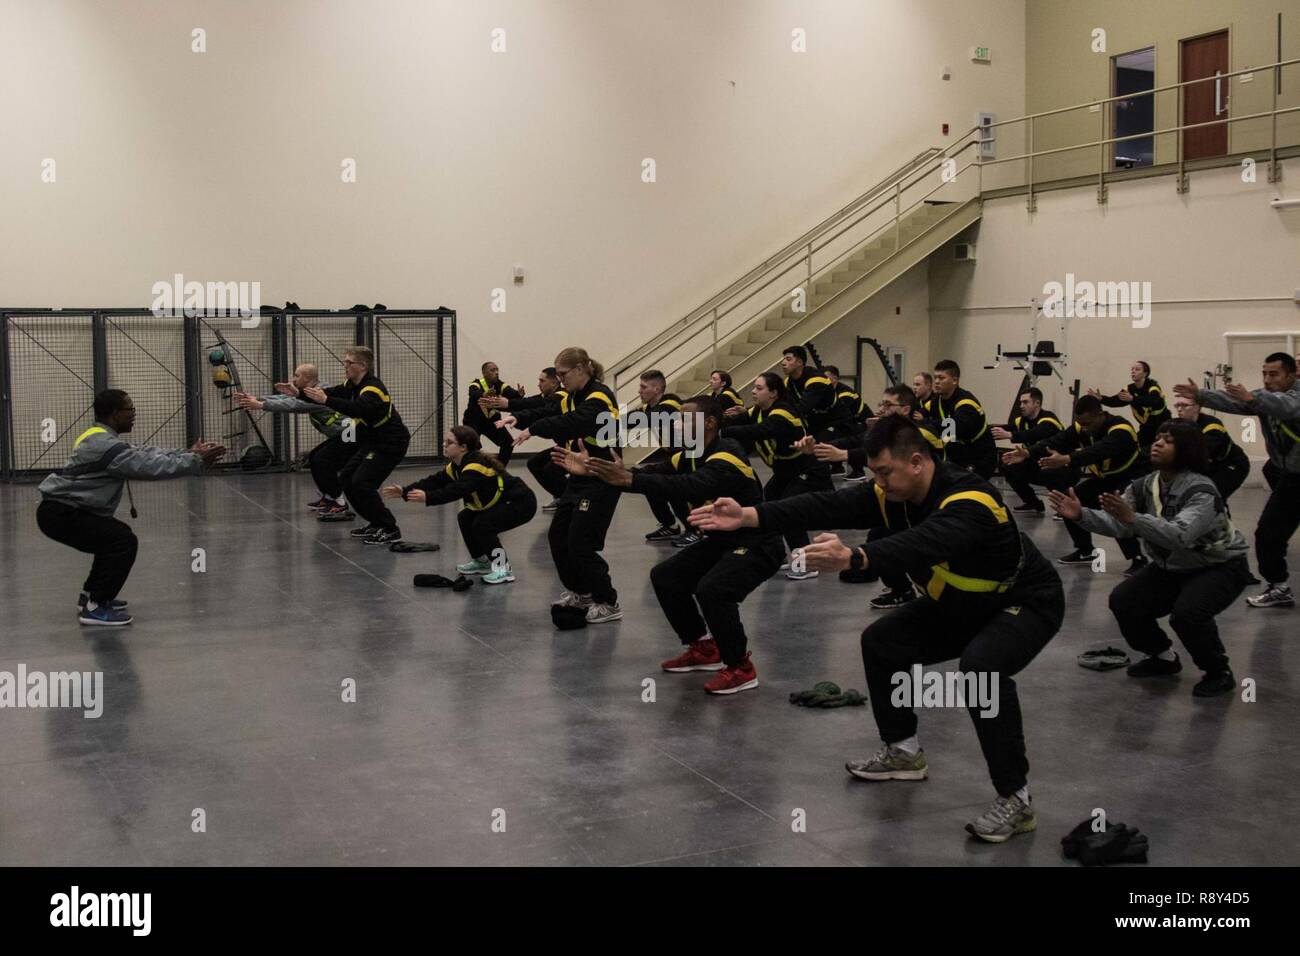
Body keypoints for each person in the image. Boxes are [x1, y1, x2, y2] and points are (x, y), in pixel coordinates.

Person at [691, 415, 1064, 843]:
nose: (879, 482)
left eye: (885, 472)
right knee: (882, 641)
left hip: (1025, 602)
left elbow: (926, 542)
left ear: (918, 462)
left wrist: (855, 557)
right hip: (963, 604)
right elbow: (826, 505)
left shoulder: (972, 501)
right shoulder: (895, 494)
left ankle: (1016, 799)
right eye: (875, 473)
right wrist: (749, 515)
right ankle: (903, 753)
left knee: (982, 668)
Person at [556, 396, 783, 694]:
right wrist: (600, 472)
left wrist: (628, 481)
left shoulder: (727, 456)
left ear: (710, 422)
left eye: (685, 417)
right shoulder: (691, 453)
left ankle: (741, 666)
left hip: (758, 544)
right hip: (722, 541)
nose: (677, 422)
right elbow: (654, 472)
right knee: (665, 577)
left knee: (713, 591)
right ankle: (704, 648)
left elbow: (687, 485)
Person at [1050, 420, 1254, 697]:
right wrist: (1081, 515)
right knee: (1124, 601)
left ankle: (1219, 671)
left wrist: (1133, 518)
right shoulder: (1144, 485)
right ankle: (1163, 657)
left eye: (1168, 441)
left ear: (1186, 451)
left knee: (1187, 615)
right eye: (1157, 438)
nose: (1157, 444)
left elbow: (1179, 535)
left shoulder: (1202, 490)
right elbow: (1120, 525)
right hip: (1173, 566)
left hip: (1218, 567)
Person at [36, 389, 226, 626]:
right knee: (121, 541)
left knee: (112, 537)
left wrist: (188, 453)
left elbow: (143, 453)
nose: (134, 414)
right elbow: (147, 466)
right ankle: (95, 606)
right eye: (130, 409)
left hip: (61, 511)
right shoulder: (104, 445)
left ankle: (89, 596)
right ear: (115, 414)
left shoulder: (101, 437)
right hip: (61, 513)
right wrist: (195, 461)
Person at [501, 347, 624, 624]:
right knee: (558, 535)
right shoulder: (571, 396)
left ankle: (608, 600)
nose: (560, 379)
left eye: (563, 374)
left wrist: (534, 429)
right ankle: (581, 592)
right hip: (579, 474)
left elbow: (574, 421)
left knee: (581, 541)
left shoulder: (599, 397)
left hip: (602, 476)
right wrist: (518, 417)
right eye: (557, 374)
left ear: (581, 369)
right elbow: (547, 408)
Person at [1176, 352, 1300, 608]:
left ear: (1291, 375)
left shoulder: (1287, 398)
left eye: (1274, 374)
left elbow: (1287, 409)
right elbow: (1233, 402)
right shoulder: (1263, 398)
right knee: (1268, 534)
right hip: (1293, 478)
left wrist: (1254, 399)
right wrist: (1200, 395)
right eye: (1264, 373)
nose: (1267, 379)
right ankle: (1279, 586)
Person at [807, 385, 945, 608]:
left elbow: (867, 453)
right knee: (879, 536)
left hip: (932, 502)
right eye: (881, 404)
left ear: (906, 409)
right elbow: (858, 440)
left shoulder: (919, 434)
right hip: (903, 499)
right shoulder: (887, 431)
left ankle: (919, 592)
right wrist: (821, 447)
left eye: (888, 405)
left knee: (909, 545)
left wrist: (845, 455)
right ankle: (902, 589)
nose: (881, 409)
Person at [1005, 394, 1148, 574]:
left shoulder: (1121, 430)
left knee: (1115, 509)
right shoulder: (1082, 427)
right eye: (1082, 424)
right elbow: (1055, 441)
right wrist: (1027, 453)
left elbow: (1098, 452)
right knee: (1070, 501)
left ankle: (1138, 558)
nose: (1085, 429)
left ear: (1100, 415)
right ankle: (1086, 551)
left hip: (1130, 478)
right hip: (1105, 478)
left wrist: (1067, 459)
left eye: (1088, 424)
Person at [382, 426, 536, 585]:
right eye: (444, 442)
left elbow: (456, 491)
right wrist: (405, 491)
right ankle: (482, 561)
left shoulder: (475, 466)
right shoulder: (456, 465)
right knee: (465, 517)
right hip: (505, 501)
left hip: (521, 503)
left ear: (463, 447)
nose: (444, 445)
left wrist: (428, 497)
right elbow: (435, 481)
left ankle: (503, 569)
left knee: (484, 525)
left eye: (449, 442)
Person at [720, 371, 832, 580]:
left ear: (773, 393)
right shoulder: (759, 410)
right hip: (785, 471)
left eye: (759, 388)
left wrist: (719, 433)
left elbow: (759, 431)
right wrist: (714, 422)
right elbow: (738, 421)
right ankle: (777, 555)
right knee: (767, 507)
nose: (753, 391)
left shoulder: (782, 413)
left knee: (789, 512)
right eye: (754, 387)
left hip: (808, 470)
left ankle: (805, 564)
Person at [297, 345, 411, 545]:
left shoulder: (373, 389)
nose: (345, 366)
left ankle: (390, 528)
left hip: (391, 442)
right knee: (347, 479)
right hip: (372, 440)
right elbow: (330, 393)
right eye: (345, 362)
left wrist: (327, 400)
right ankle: (375, 523)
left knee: (363, 484)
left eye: (349, 363)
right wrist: (298, 393)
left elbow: (357, 409)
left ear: (363, 365)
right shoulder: (351, 384)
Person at [235, 363, 353, 520]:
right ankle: (329, 498)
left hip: (350, 434)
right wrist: (257, 398)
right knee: (315, 458)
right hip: (341, 434)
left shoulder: (318, 393)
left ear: (308, 378)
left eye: (297, 375)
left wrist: (261, 405)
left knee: (323, 460)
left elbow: (293, 405)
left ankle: (339, 502)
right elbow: (287, 398)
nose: (293, 378)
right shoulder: (306, 391)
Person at [485, 366, 567, 513]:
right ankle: (562, 497)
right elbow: (530, 404)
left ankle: (569, 499)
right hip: (564, 444)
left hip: (574, 446)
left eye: (542, 381)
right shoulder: (546, 397)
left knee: (550, 469)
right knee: (535, 463)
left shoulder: (561, 396)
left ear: (555, 382)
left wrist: (509, 405)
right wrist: (506, 410)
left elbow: (536, 407)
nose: (539, 384)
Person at [633, 369, 692, 543]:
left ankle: (694, 529)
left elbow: (647, 418)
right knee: (650, 484)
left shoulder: (670, 404)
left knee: (676, 492)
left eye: (644, 387)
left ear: (657, 389)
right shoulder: (649, 408)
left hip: (691, 455)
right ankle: (670, 525)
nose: (639, 391)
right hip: (672, 455)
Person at [991, 387, 1068, 515]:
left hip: (1062, 465)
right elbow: (1005, 429)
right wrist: (983, 428)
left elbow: (1034, 434)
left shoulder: (1049, 420)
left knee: (1048, 471)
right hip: (1038, 464)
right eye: (1021, 402)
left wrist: (1010, 435)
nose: (1021, 406)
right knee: (1007, 467)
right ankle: (1033, 503)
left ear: (1037, 403)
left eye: (1025, 402)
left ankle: (1064, 506)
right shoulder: (1021, 421)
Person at [1172, 393, 1250, 504]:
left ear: (1197, 407)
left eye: (1185, 405)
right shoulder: (1179, 425)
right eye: (1177, 405)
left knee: (1213, 498)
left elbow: (1201, 452)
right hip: (1210, 465)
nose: (1180, 409)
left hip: (1232, 465)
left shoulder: (1212, 426)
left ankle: (1222, 519)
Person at [928, 360, 997, 478]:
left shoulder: (967, 403)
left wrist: (928, 423)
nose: (937, 382)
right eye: (935, 378)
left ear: (955, 380)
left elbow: (954, 428)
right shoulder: (936, 400)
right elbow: (920, 415)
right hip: (957, 453)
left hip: (979, 456)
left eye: (941, 378)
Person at [1089, 360, 1171, 451]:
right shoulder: (1130, 389)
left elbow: (1153, 400)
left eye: (1137, 369)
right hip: (1146, 427)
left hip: (1163, 424)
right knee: (1139, 449)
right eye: (1132, 369)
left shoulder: (1153, 386)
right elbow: (1115, 401)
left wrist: (1133, 399)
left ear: (1145, 373)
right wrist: (1101, 399)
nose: (1133, 371)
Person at [780, 345, 847, 441]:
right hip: (815, 420)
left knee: (819, 446)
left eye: (788, 359)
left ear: (799, 362)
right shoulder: (788, 382)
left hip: (835, 420)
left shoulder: (816, 379)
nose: (783, 363)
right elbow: (784, 404)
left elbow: (803, 408)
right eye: (783, 360)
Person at [465, 361, 524, 466]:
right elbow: (473, 393)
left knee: (508, 443)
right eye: (492, 370)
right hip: (473, 421)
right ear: (484, 373)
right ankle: (471, 471)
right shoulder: (476, 384)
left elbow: (511, 393)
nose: (496, 372)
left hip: (491, 422)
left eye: (497, 370)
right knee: (473, 446)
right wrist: (484, 394)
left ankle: (498, 469)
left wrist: (518, 394)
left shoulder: (500, 385)